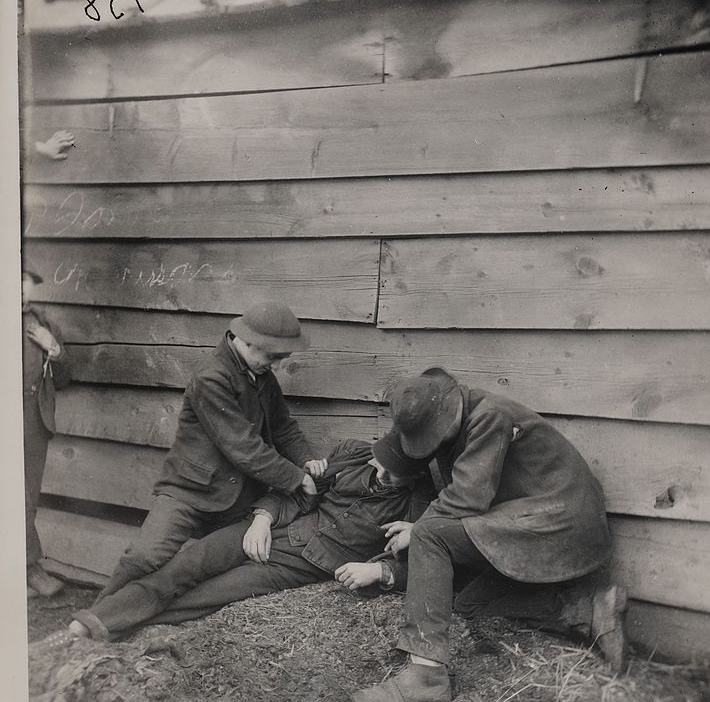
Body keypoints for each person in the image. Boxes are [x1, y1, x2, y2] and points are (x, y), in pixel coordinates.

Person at [351, 367, 627, 702]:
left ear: (449, 408)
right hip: (530, 519)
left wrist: (417, 528)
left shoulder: (489, 416)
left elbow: (467, 500)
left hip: (562, 521)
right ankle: (585, 609)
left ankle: (426, 677)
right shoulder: (455, 420)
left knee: (429, 533)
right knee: (470, 603)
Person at [46, 434, 431, 644]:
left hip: (301, 564)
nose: (384, 477)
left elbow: (423, 562)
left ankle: (114, 631)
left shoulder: (420, 503)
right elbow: (296, 489)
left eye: (397, 476)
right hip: (277, 528)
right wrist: (262, 519)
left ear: (414, 477)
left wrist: (379, 571)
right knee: (187, 564)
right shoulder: (353, 456)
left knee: (207, 595)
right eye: (382, 467)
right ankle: (90, 622)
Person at [97, 301, 330, 601]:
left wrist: (306, 460)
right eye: (273, 356)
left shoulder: (262, 378)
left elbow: (283, 427)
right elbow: (242, 446)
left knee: (219, 571)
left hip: (237, 497)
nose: (275, 366)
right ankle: (97, 617)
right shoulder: (212, 376)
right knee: (145, 556)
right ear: (247, 341)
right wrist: (297, 478)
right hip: (190, 492)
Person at [22, 264, 71, 597]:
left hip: (31, 417)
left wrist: (52, 346)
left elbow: (65, 377)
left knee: (27, 495)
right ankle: (28, 569)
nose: (21, 290)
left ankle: (25, 570)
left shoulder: (43, 325)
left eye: (25, 283)